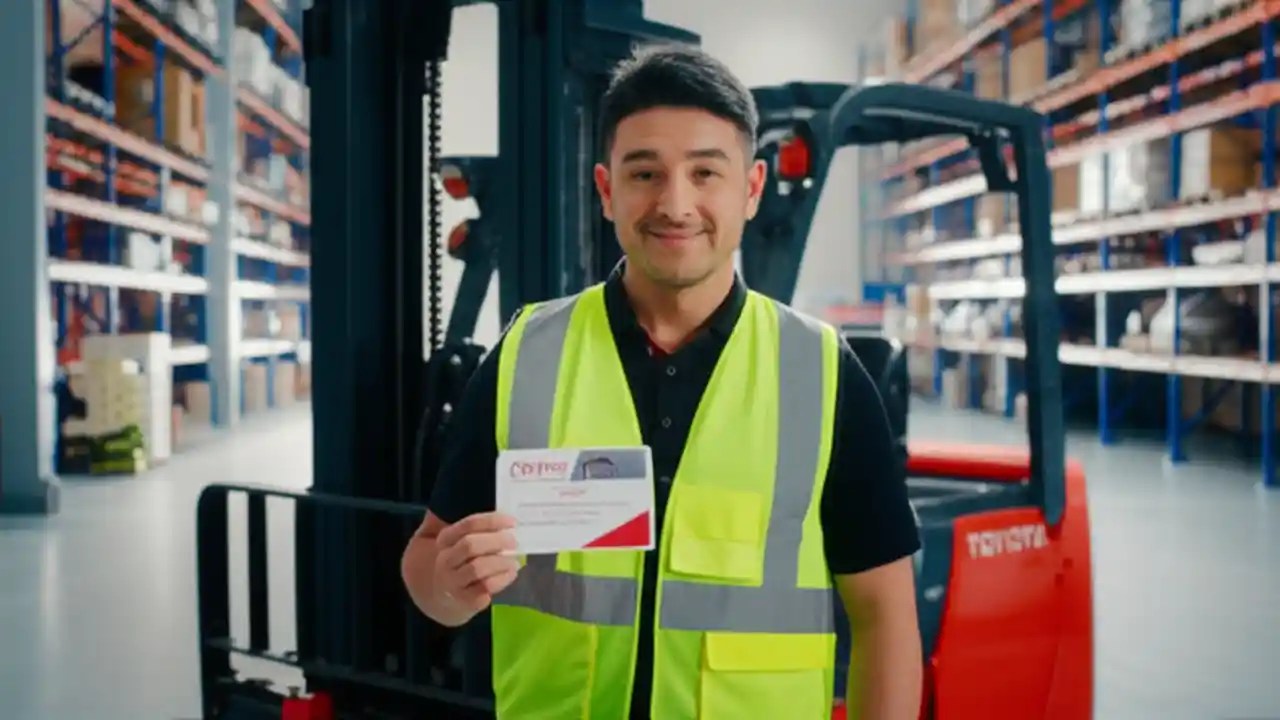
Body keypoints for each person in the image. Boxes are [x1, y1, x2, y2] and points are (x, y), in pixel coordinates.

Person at [401, 43, 923, 720]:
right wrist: (448, 587)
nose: (676, 203)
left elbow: (884, 615)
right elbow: (428, 559)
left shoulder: (822, 374)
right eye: (645, 173)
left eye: (706, 172)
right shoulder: (527, 355)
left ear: (753, 188)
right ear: (606, 189)